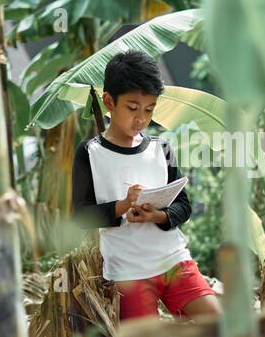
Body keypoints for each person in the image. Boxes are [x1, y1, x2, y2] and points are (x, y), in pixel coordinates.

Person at [71, 51, 220, 322]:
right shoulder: (89, 153)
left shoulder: (161, 148)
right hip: (129, 274)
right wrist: (122, 206)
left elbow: (183, 205)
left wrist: (158, 216)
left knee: (219, 324)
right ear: (108, 102)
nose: (141, 118)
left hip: (175, 261)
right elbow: (80, 214)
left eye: (149, 109)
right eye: (132, 107)